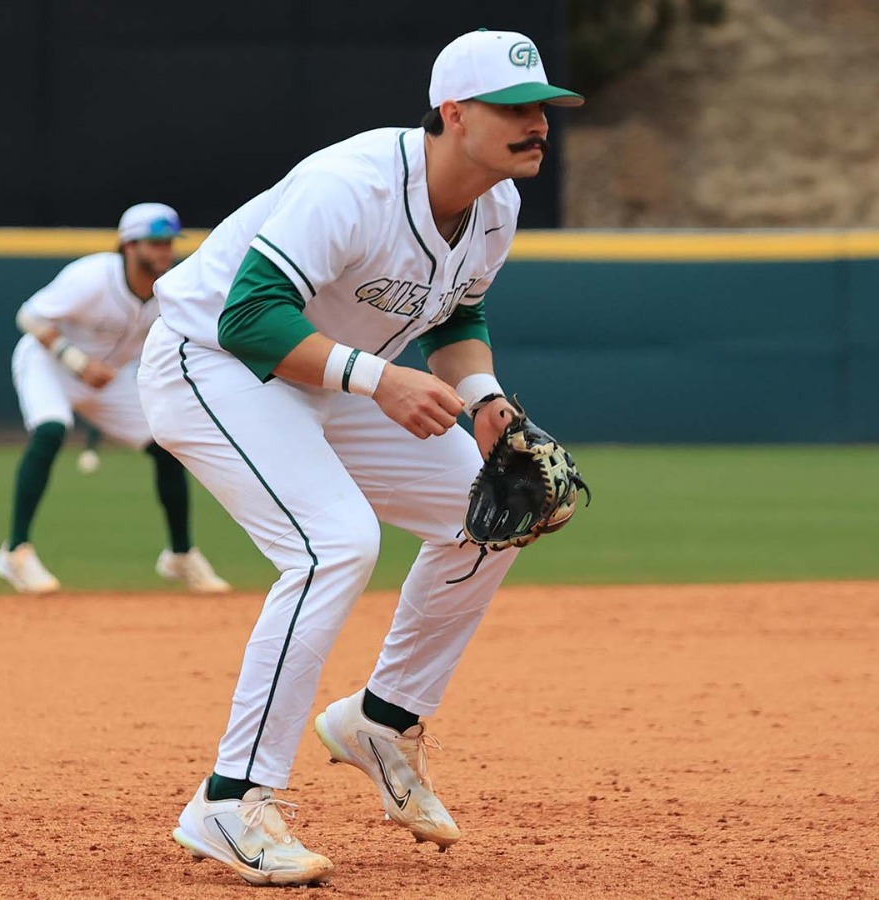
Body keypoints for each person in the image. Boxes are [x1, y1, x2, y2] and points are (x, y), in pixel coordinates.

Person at [137, 29, 582, 886]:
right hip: (210, 362)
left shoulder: (496, 204)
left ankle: (383, 721)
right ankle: (230, 802)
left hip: (329, 377)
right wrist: (380, 380)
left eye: (544, 109)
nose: (538, 124)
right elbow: (247, 318)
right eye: (516, 108)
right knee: (333, 543)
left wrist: (485, 400)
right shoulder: (353, 183)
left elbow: (454, 319)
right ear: (454, 114)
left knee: (492, 513)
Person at [0, 203, 232, 595]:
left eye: (169, 243)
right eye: (154, 243)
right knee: (51, 430)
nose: (164, 252)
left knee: (167, 444)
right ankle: (15, 552)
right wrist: (75, 361)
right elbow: (30, 317)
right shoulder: (92, 276)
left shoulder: (171, 289)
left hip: (111, 377)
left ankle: (180, 554)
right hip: (50, 362)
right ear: (128, 245)